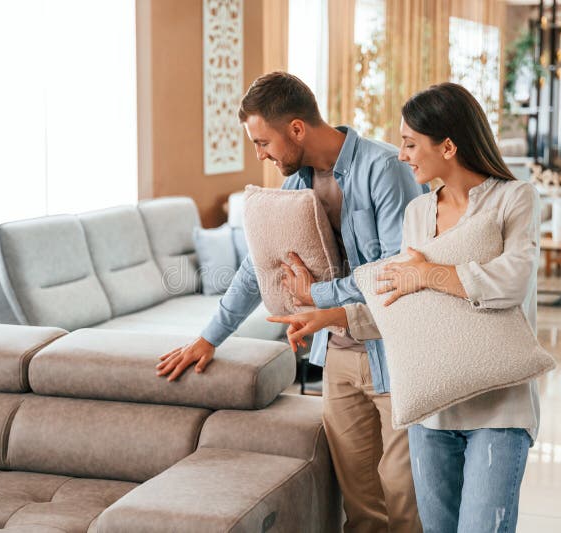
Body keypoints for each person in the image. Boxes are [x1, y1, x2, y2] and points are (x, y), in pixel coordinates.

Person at [156, 71, 426, 532]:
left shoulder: (385, 168)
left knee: (404, 502)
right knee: (360, 507)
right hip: (339, 357)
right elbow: (254, 269)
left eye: (263, 142)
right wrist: (208, 338)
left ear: (296, 129)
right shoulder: (295, 187)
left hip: (395, 353)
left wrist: (316, 295)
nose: (260, 155)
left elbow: (392, 271)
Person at [268, 82, 541, 533]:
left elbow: (512, 283)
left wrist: (428, 274)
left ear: (448, 146)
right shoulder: (417, 213)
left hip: (499, 409)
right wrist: (328, 314)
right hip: (431, 411)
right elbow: (403, 306)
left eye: (411, 143)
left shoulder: (515, 199)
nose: (401, 154)